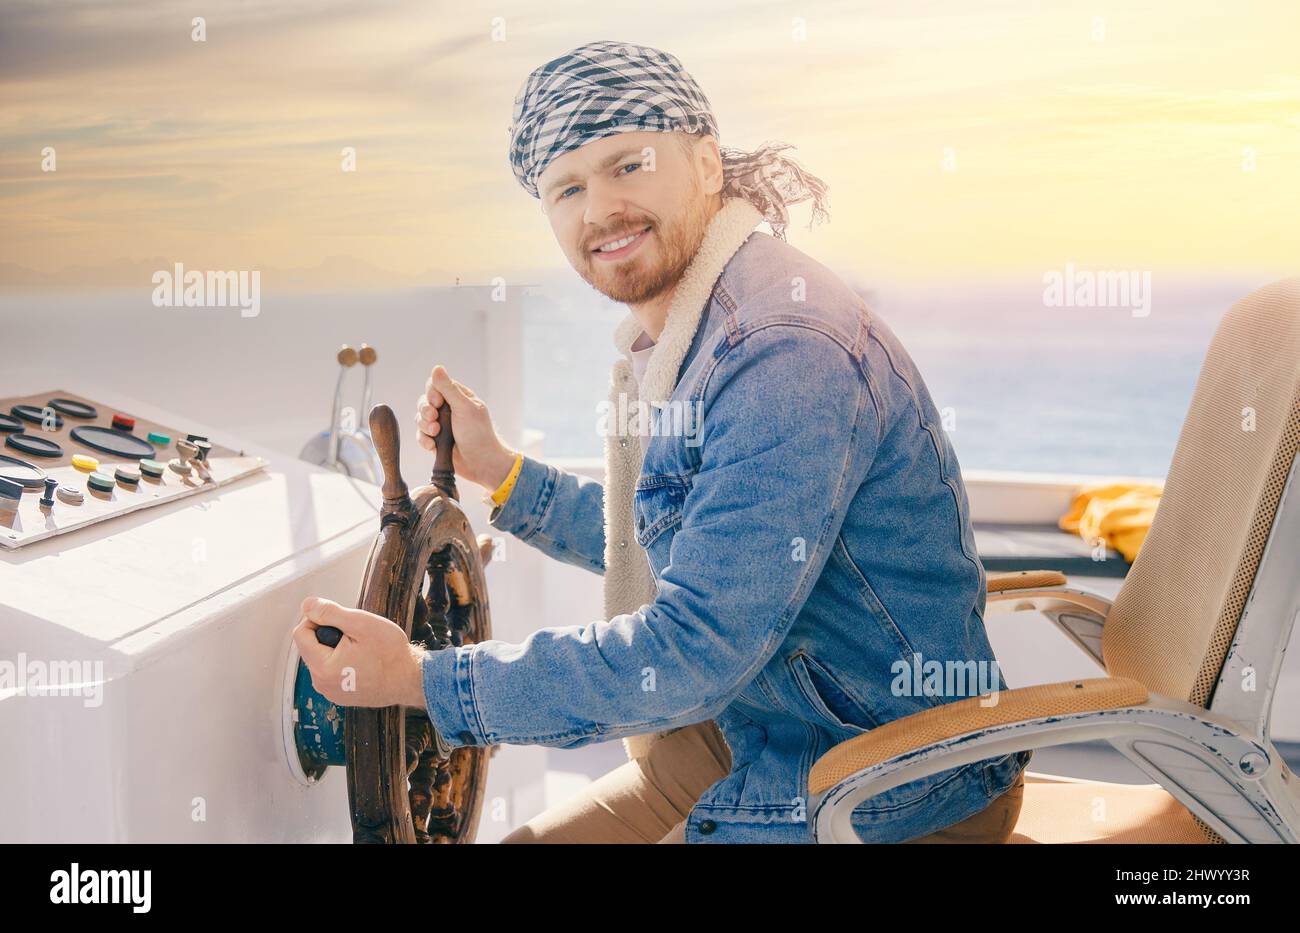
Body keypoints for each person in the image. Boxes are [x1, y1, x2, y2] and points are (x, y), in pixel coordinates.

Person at [294, 39, 1029, 843]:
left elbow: (692, 650)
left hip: (885, 782)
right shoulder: (696, 329)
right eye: (566, 187)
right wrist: (504, 476)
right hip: (758, 730)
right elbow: (682, 540)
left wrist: (425, 680)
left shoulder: (783, 351)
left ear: (708, 164)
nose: (599, 208)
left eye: (628, 165)